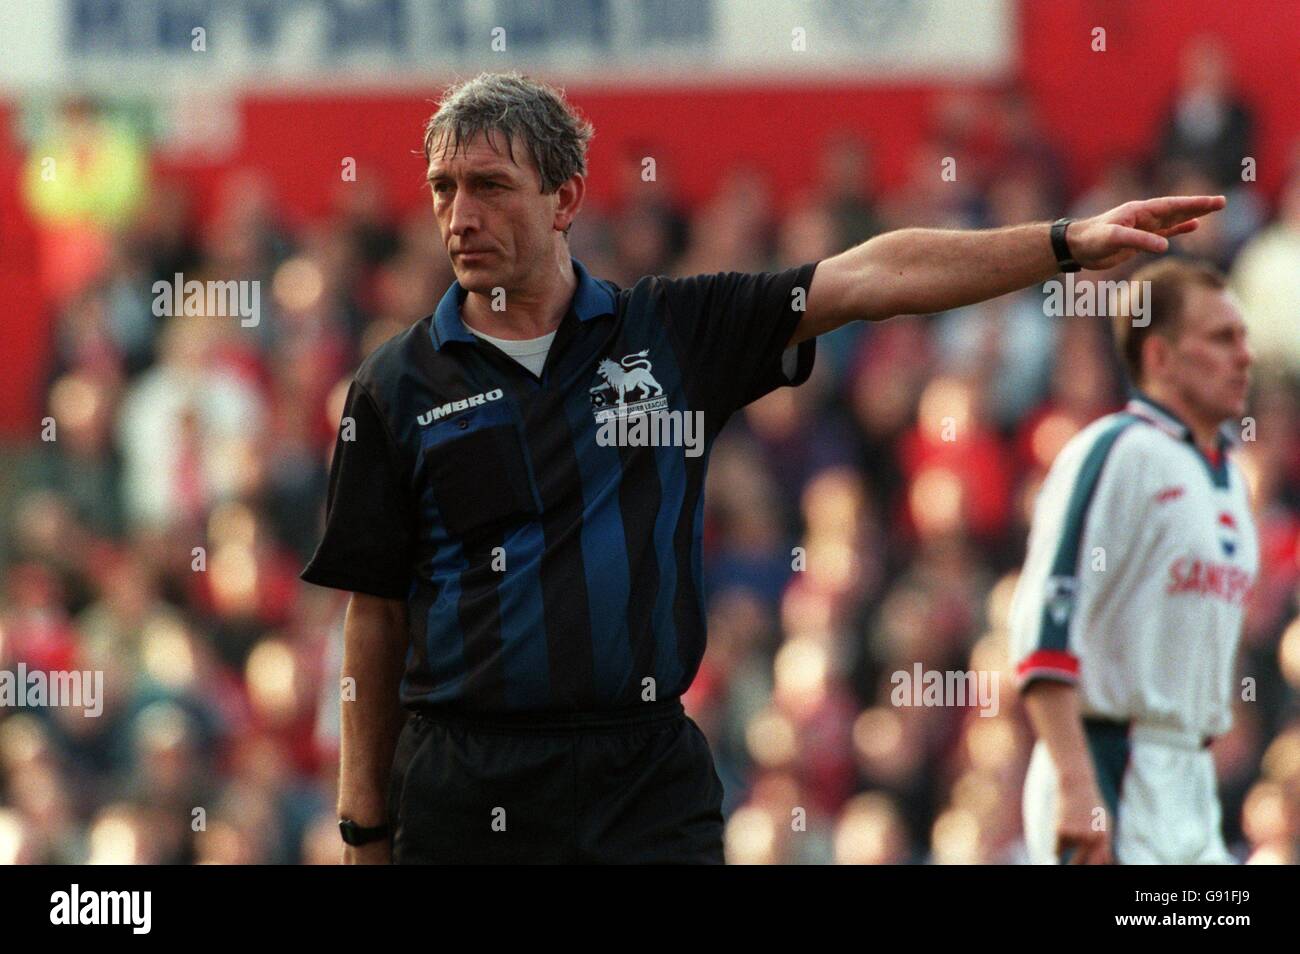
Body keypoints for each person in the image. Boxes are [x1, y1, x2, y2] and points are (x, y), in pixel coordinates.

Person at [299, 70, 1226, 864]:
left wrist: (1064, 244)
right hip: (465, 789)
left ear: (565, 199)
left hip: (641, 781)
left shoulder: (671, 332)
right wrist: (362, 827)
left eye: (490, 186)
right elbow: (372, 621)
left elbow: (875, 276)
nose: (459, 217)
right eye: (442, 188)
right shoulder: (394, 386)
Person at [1011, 260, 1257, 864]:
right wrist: (1074, 784)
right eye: (1221, 338)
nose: (1244, 356)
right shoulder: (1118, 450)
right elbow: (1045, 619)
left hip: (1188, 781)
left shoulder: (1229, 479)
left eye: (1244, 337)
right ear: (1161, 357)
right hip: (1110, 763)